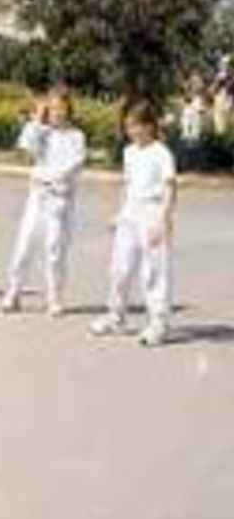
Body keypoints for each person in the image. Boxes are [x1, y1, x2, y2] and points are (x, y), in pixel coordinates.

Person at [89, 104, 178, 347]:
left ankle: (159, 323)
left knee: (153, 271)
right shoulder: (130, 152)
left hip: (153, 211)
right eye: (128, 126)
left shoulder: (162, 153)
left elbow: (170, 188)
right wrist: (119, 214)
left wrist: (163, 219)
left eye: (135, 125)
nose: (131, 131)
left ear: (149, 126)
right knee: (119, 268)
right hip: (131, 212)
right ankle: (116, 316)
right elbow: (128, 187)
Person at [2, 89, 88, 316]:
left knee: (55, 251)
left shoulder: (76, 136)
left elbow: (75, 165)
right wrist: (37, 119)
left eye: (61, 108)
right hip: (38, 198)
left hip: (60, 201)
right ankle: (13, 292)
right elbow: (25, 146)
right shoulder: (42, 131)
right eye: (52, 108)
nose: (56, 113)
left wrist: (50, 178)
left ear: (69, 110)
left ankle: (54, 298)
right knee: (24, 246)